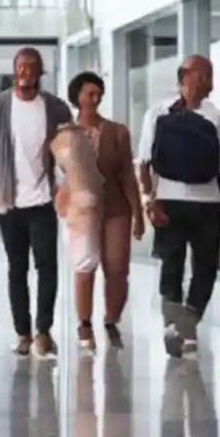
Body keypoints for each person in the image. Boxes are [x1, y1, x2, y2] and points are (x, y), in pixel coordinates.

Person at [0, 46, 73, 359]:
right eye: (21, 67)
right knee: (17, 268)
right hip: (8, 200)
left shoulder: (56, 108)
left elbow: (69, 151)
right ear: (14, 71)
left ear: (40, 72)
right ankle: (23, 333)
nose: (26, 72)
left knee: (47, 266)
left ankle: (43, 332)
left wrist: (70, 184)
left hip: (43, 200)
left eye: (31, 67)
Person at [137, 54, 220, 358]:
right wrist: (150, 201)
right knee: (171, 265)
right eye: (203, 75)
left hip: (208, 202)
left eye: (210, 75)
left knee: (206, 267)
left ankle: (187, 324)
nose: (208, 81)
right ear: (184, 77)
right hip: (170, 201)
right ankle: (173, 325)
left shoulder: (215, 115)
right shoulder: (157, 114)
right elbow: (144, 163)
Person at [62, 71, 144, 351]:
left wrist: (138, 213)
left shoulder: (117, 132)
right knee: (85, 266)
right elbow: (59, 175)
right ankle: (84, 322)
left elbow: (127, 176)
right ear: (78, 98)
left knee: (117, 267)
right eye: (89, 94)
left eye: (98, 94)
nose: (95, 99)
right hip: (83, 213)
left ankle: (111, 319)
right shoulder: (65, 135)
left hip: (116, 209)